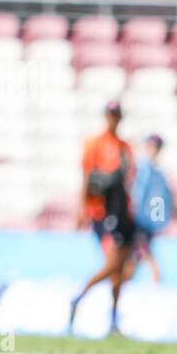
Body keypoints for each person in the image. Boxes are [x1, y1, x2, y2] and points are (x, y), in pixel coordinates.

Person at [68, 101, 135, 335]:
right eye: (110, 114)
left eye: (117, 115)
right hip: (103, 213)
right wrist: (82, 208)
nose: (113, 119)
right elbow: (87, 177)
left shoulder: (125, 147)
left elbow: (128, 182)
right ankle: (79, 297)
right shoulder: (95, 143)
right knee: (113, 265)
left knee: (121, 269)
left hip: (122, 213)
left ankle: (114, 319)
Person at [128, 134, 175, 284]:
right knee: (142, 250)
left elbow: (163, 197)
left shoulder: (158, 172)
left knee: (136, 256)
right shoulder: (143, 168)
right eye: (152, 146)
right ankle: (155, 275)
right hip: (138, 219)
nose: (155, 150)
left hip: (148, 221)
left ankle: (124, 281)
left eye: (157, 147)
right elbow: (136, 193)